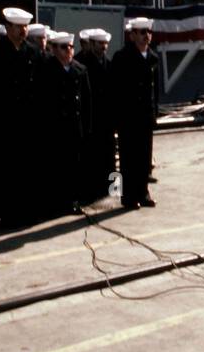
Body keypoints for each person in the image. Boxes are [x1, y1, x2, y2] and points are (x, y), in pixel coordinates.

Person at [0, 7, 41, 223]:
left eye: (25, 26)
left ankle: (25, 210)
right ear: (8, 28)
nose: (23, 31)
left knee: (26, 168)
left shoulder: (34, 53)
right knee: (5, 169)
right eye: (18, 27)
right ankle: (6, 213)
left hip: (27, 121)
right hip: (4, 122)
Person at [41, 31, 93, 214]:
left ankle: (73, 200)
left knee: (74, 166)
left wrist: (87, 127)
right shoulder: (47, 70)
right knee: (57, 166)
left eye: (71, 47)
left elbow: (87, 102)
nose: (69, 51)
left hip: (74, 125)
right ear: (54, 49)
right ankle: (56, 202)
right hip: (56, 127)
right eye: (64, 47)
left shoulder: (80, 70)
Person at [111, 18, 159, 208]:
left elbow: (155, 91)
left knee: (144, 157)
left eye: (148, 31)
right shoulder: (122, 57)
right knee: (129, 158)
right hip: (128, 116)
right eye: (141, 32)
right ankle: (129, 196)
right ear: (132, 35)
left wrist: (155, 114)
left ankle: (143, 192)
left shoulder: (153, 58)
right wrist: (116, 117)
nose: (145, 35)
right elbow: (115, 89)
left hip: (145, 116)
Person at [78, 28, 117, 200]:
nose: (103, 47)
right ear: (92, 44)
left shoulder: (109, 64)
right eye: (99, 43)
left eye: (105, 43)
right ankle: (92, 189)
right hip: (92, 116)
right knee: (92, 154)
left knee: (108, 154)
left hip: (107, 117)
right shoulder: (84, 65)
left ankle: (109, 187)